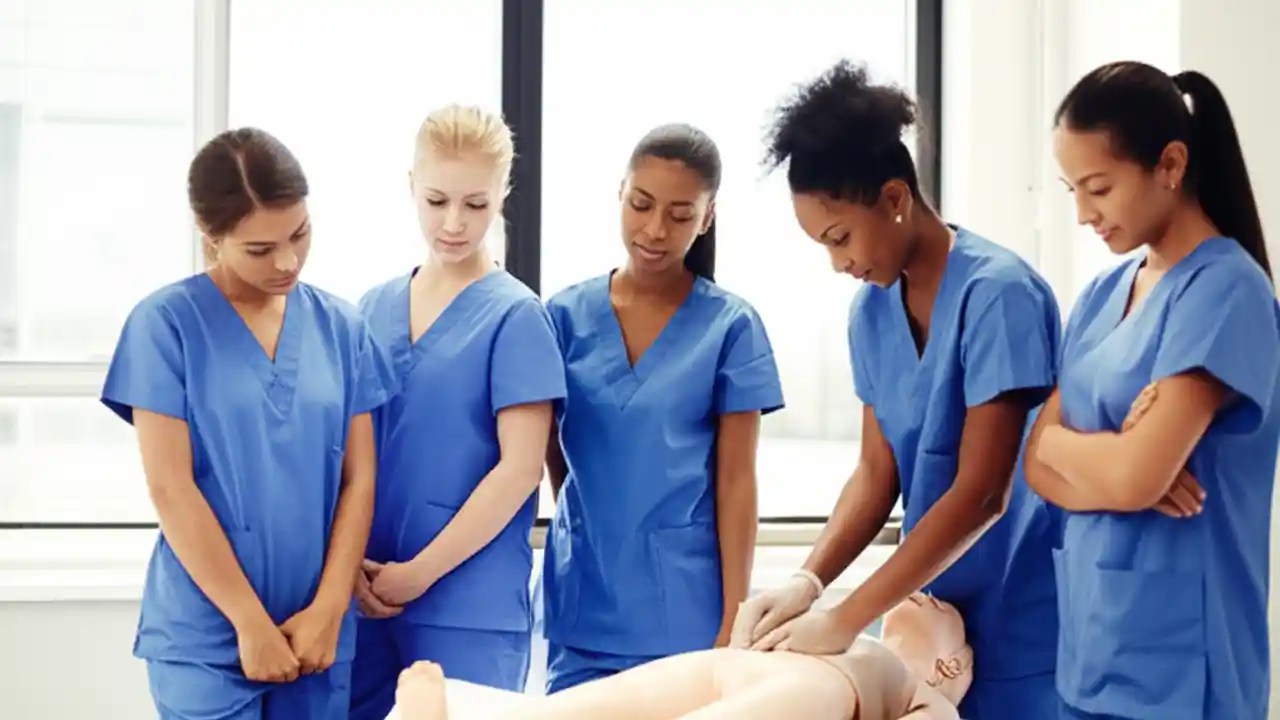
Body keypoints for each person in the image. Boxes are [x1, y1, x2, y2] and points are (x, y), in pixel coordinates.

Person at [732, 60, 1063, 719]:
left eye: (840, 237)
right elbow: (876, 474)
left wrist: (850, 615)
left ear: (893, 198)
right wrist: (810, 580)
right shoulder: (872, 312)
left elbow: (983, 493)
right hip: (929, 618)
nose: (839, 263)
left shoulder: (998, 295)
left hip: (1027, 619)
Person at [99, 127, 398, 719]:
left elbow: (360, 480)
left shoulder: (342, 329)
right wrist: (248, 622)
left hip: (316, 632)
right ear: (210, 238)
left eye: (299, 234)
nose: (287, 262)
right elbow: (171, 487)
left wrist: (329, 609)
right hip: (207, 631)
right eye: (259, 249)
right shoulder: (165, 326)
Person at [1026, 60, 1280, 720]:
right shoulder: (1103, 294)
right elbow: (1034, 466)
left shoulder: (1227, 291)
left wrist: (1078, 447)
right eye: (1071, 190)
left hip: (1184, 671)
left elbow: (1133, 478)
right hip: (1091, 648)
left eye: (1099, 188)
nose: (1083, 213)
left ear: (1170, 164)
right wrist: (1106, 456)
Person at [540, 123, 786, 693]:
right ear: (619, 194)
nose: (654, 230)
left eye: (679, 215)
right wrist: (586, 522)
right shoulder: (564, 317)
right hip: (585, 598)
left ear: (707, 217)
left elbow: (736, 481)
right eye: (641, 204)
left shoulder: (731, 326)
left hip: (686, 609)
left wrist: (734, 616)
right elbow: (547, 446)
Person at [348, 105, 566, 719]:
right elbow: (348, 452)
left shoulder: (516, 317)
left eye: (476, 204)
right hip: (364, 596)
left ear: (503, 195)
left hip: (467, 605)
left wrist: (417, 574)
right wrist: (350, 571)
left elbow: (520, 471)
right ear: (411, 186)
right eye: (438, 199)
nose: (454, 222)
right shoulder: (371, 308)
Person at [390, 593, 971, 720]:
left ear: (952, 666)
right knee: (567, 714)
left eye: (940, 604)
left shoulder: (929, 700)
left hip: (820, 695)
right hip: (731, 666)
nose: (923, 591)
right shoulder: (855, 629)